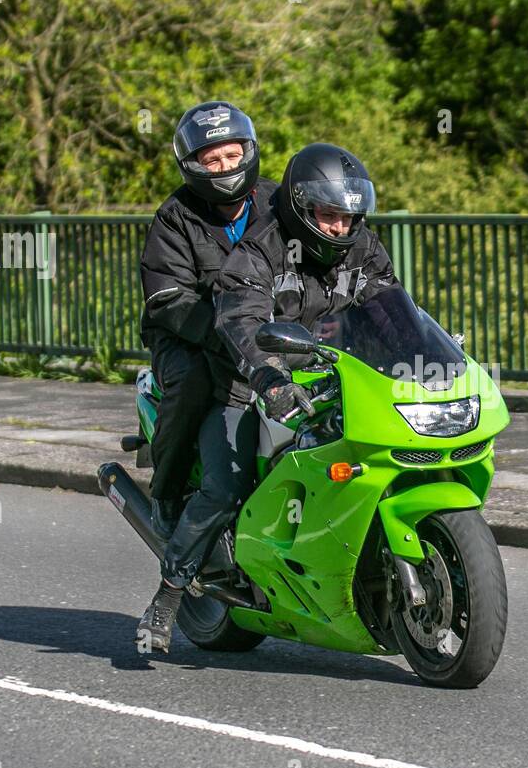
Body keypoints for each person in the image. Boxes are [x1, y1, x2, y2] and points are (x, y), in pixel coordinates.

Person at [135, 142, 401, 653]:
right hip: (238, 383)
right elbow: (239, 320)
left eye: (348, 217)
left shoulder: (361, 245)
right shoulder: (258, 252)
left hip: (321, 373)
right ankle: (167, 597)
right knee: (225, 486)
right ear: (302, 207)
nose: (340, 228)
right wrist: (269, 380)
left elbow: (388, 303)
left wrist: (420, 358)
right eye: (328, 216)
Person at [135, 101, 276, 651]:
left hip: (261, 336)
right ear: (192, 165)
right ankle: (168, 495)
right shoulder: (176, 217)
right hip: (188, 335)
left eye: (231, 153)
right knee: (194, 382)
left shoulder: (275, 205)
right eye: (211, 158)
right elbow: (169, 298)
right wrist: (228, 337)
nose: (223, 165)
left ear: (248, 150)